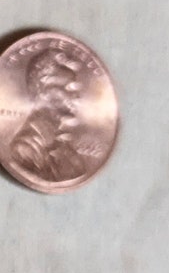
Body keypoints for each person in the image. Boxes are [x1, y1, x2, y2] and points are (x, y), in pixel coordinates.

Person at [8, 48, 103, 184]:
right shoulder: (24, 148)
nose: (77, 98)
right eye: (67, 87)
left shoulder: (64, 147)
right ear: (43, 89)